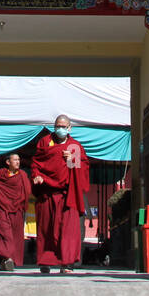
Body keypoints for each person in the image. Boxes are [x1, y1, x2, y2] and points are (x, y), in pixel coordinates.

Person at [30, 114, 89, 274]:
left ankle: (66, 263)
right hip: (47, 193)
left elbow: (81, 173)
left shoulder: (75, 147)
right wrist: (37, 176)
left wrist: (72, 159)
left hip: (67, 195)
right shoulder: (45, 142)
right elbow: (36, 163)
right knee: (46, 229)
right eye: (58, 126)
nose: (60, 129)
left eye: (63, 126)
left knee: (68, 231)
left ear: (69, 128)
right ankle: (45, 262)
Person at [0, 152, 32, 271]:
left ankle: (6, 260)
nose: (18, 162)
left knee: (16, 236)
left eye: (19, 159)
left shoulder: (22, 175)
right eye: (15, 160)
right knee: (5, 234)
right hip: (3, 209)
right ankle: (8, 257)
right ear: (8, 162)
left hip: (17, 210)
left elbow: (26, 191)